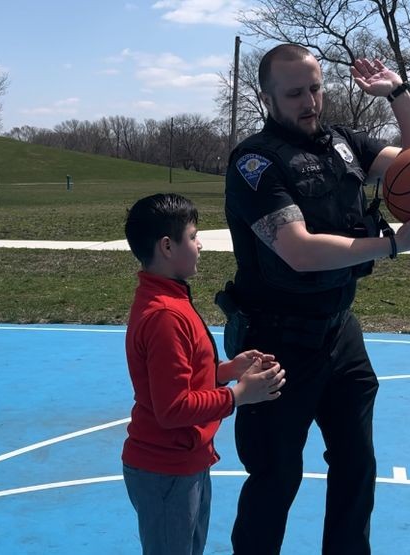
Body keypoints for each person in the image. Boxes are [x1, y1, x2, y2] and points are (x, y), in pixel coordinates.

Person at [219, 45, 410, 554]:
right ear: (267, 96)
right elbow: (298, 251)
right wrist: (392, 245)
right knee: (275, 477)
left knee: (356, 465)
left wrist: (398, 95)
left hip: (339, 331)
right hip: (275, 342)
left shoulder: (345, 144)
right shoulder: (254, 162)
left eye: (316, 88)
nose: (310, 102)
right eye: (295, 93)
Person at [122, 193, 286, 555]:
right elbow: (172, 408)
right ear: (167, 246)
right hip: (167, 469)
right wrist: (239, 395)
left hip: (182, 463)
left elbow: (179, 378)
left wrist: (227, 370)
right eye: (194, 236)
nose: (200, 245)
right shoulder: (165, 315)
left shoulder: (169, 298)